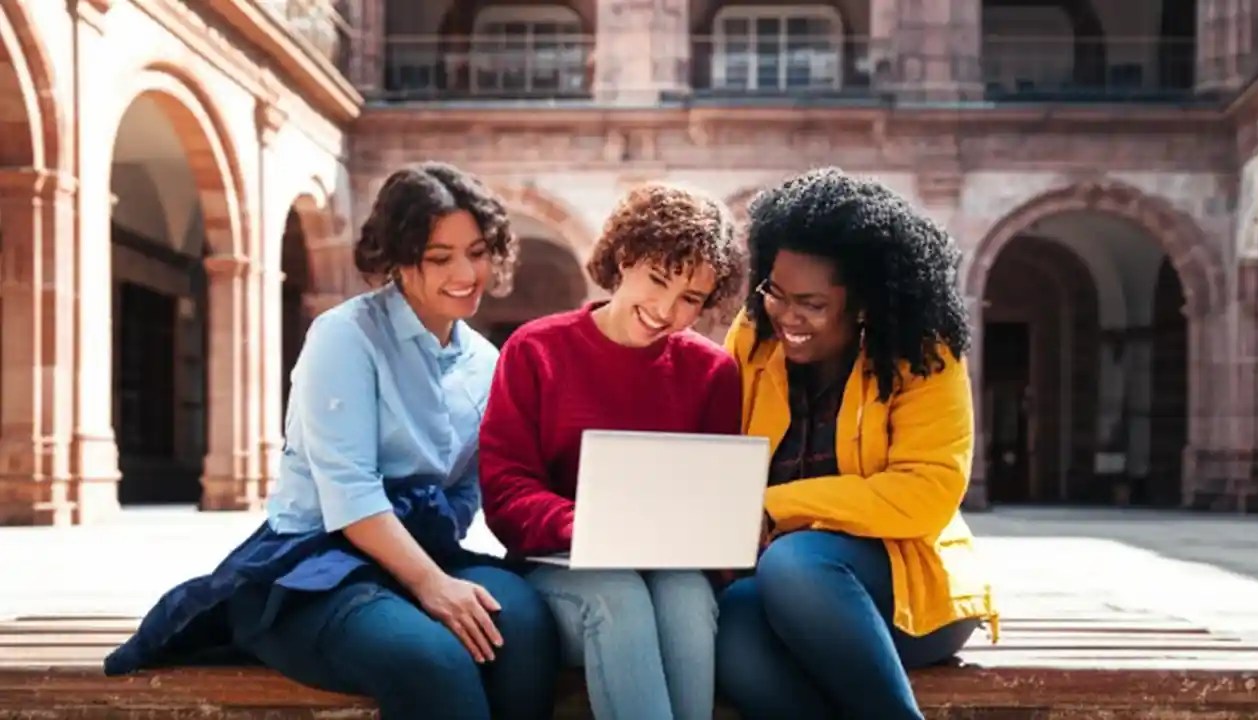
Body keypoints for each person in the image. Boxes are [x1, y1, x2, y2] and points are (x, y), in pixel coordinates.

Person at [103, 162, 560, 720]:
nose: (467, 272)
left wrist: (435, 565)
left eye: (479, 250)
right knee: (432, 659)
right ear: (396, 257)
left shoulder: (486, 362)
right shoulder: (345, 336)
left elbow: (467, 486)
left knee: (526, 622)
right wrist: (432, 586)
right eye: (440, 257)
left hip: (420, 551)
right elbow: (348, 492)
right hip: (312, 566)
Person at [714, 168, 999, 720]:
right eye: (776, 292)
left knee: (797, 562)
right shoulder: (752, 339)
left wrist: (775, 505)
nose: (787, 316)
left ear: (864, 303)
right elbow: (722, 454)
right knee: (735, 628)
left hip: (910, 594)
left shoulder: (923, 354)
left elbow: (928, 492)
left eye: (812, 304)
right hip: (778, 589)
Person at [478, 183, 745, 720]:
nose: (667, 310)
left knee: (690, 602)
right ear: (625, 259)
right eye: (658, 280)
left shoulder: (713, 371)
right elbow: (505, 493)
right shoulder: (535, 349)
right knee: (617, 597)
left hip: (671, 567)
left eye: (691, 299)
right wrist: (591, 525)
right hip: (561, 566)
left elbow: (717, 495)